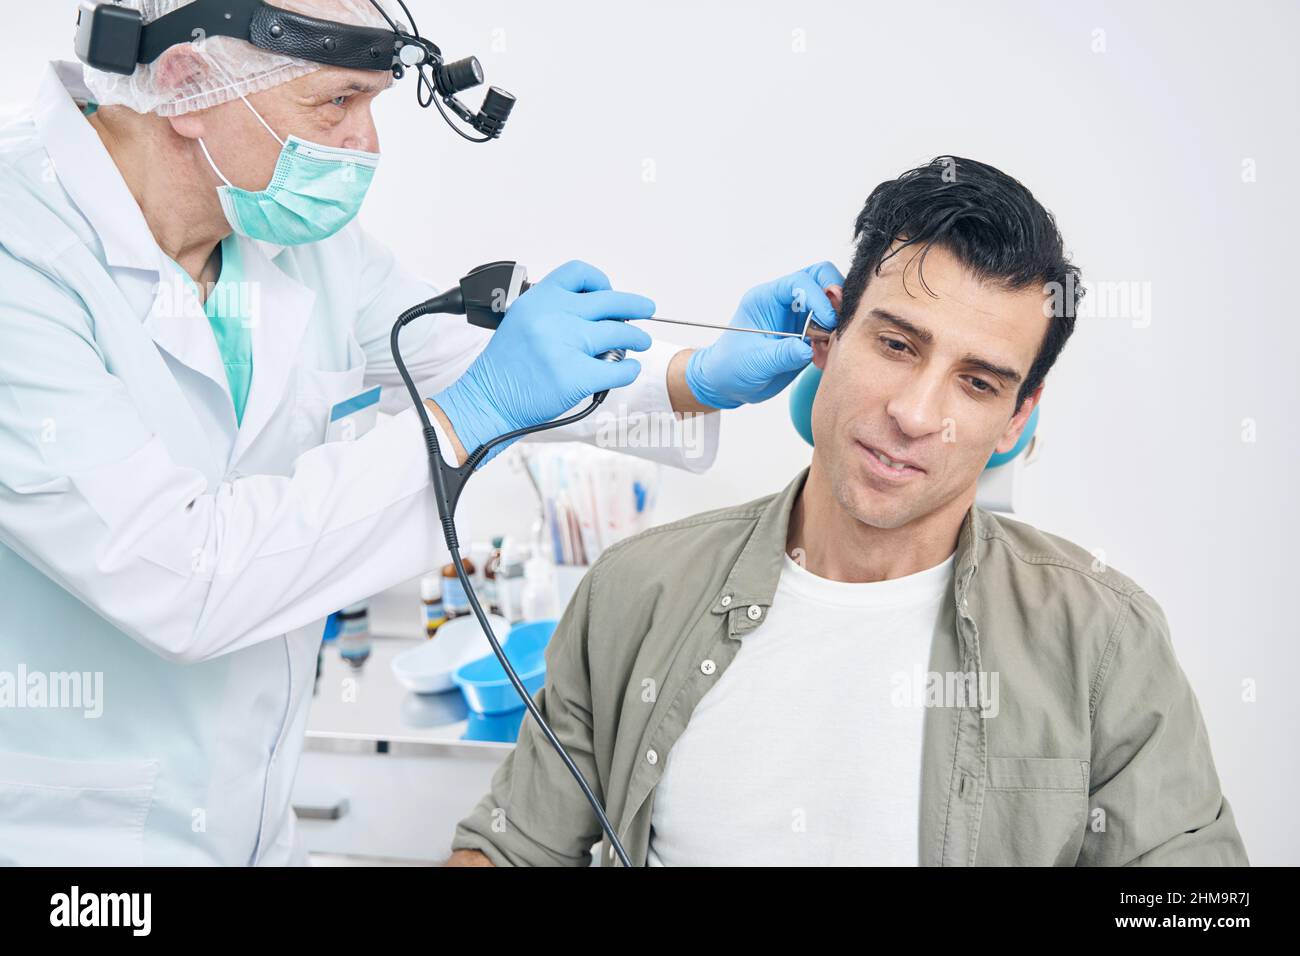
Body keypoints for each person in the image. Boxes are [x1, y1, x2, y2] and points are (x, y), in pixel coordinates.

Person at [0, 0, 841, 865]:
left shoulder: (290, 241)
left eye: (373, 103)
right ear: (185, 83)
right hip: (66, 842)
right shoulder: (18, 250)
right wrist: (467, 418)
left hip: (250, 827)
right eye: (336, 104)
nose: (366, 147)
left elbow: (467, 362)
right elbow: (181, 577)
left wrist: (695, 377)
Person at [448, 156, 1249, 866]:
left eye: (978, 382)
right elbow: (511, 848)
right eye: (897, 345)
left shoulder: (1102, 640)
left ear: (1017, 416)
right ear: (827, 336)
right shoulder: (635, 593)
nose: (913, 411)